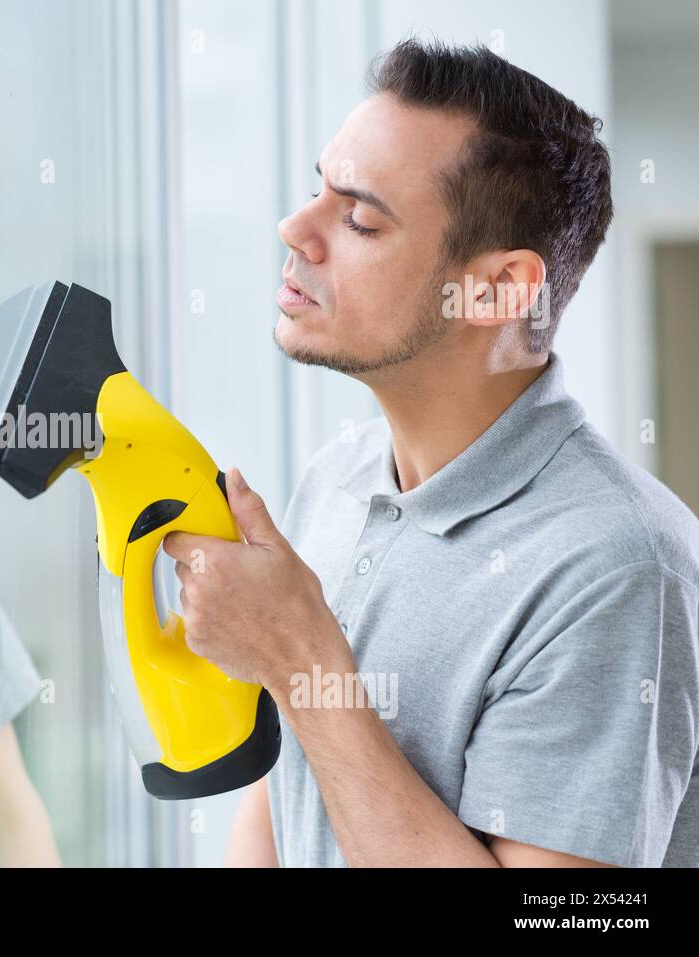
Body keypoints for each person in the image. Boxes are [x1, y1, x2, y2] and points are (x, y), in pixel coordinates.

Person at [162, 39, 699, 867]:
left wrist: (304, 658)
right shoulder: (334, 478)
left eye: (360, 218)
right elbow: (281, 808)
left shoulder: (620, 568)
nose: (296, 228)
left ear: (497, 288)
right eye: (317, 189)